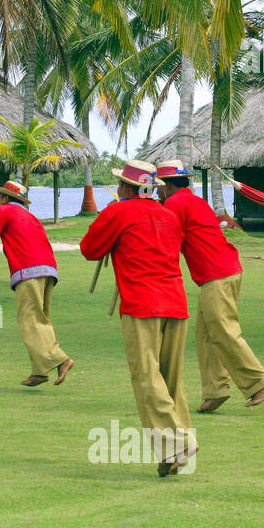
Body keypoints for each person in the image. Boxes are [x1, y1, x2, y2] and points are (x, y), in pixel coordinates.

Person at [80, 160, 195, 476]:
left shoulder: (117, 211)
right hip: (176, 302)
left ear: (125, 187)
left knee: (147, 376)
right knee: (171, 380)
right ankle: (173, 454)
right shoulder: (167, 213)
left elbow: (89, 249)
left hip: (142, 303)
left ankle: (177, 442)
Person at [156, 160, 264, 413]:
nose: (156, 191)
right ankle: (216, 391)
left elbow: (168, 242)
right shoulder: (194, 201)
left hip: (216, 275)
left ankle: (259, 381)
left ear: (167, 186)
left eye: (158, 186)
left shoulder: (175, 204)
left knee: (223, 331)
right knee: (206, 335)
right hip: (225, 270)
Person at [0, 179, 74, 387]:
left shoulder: (3, 211)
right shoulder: (29, 216)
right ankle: (40, 370)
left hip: (27, 269)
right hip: (49, 269)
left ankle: (60, 359)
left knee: (29, 320)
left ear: (6, 198)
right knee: (42, 320)